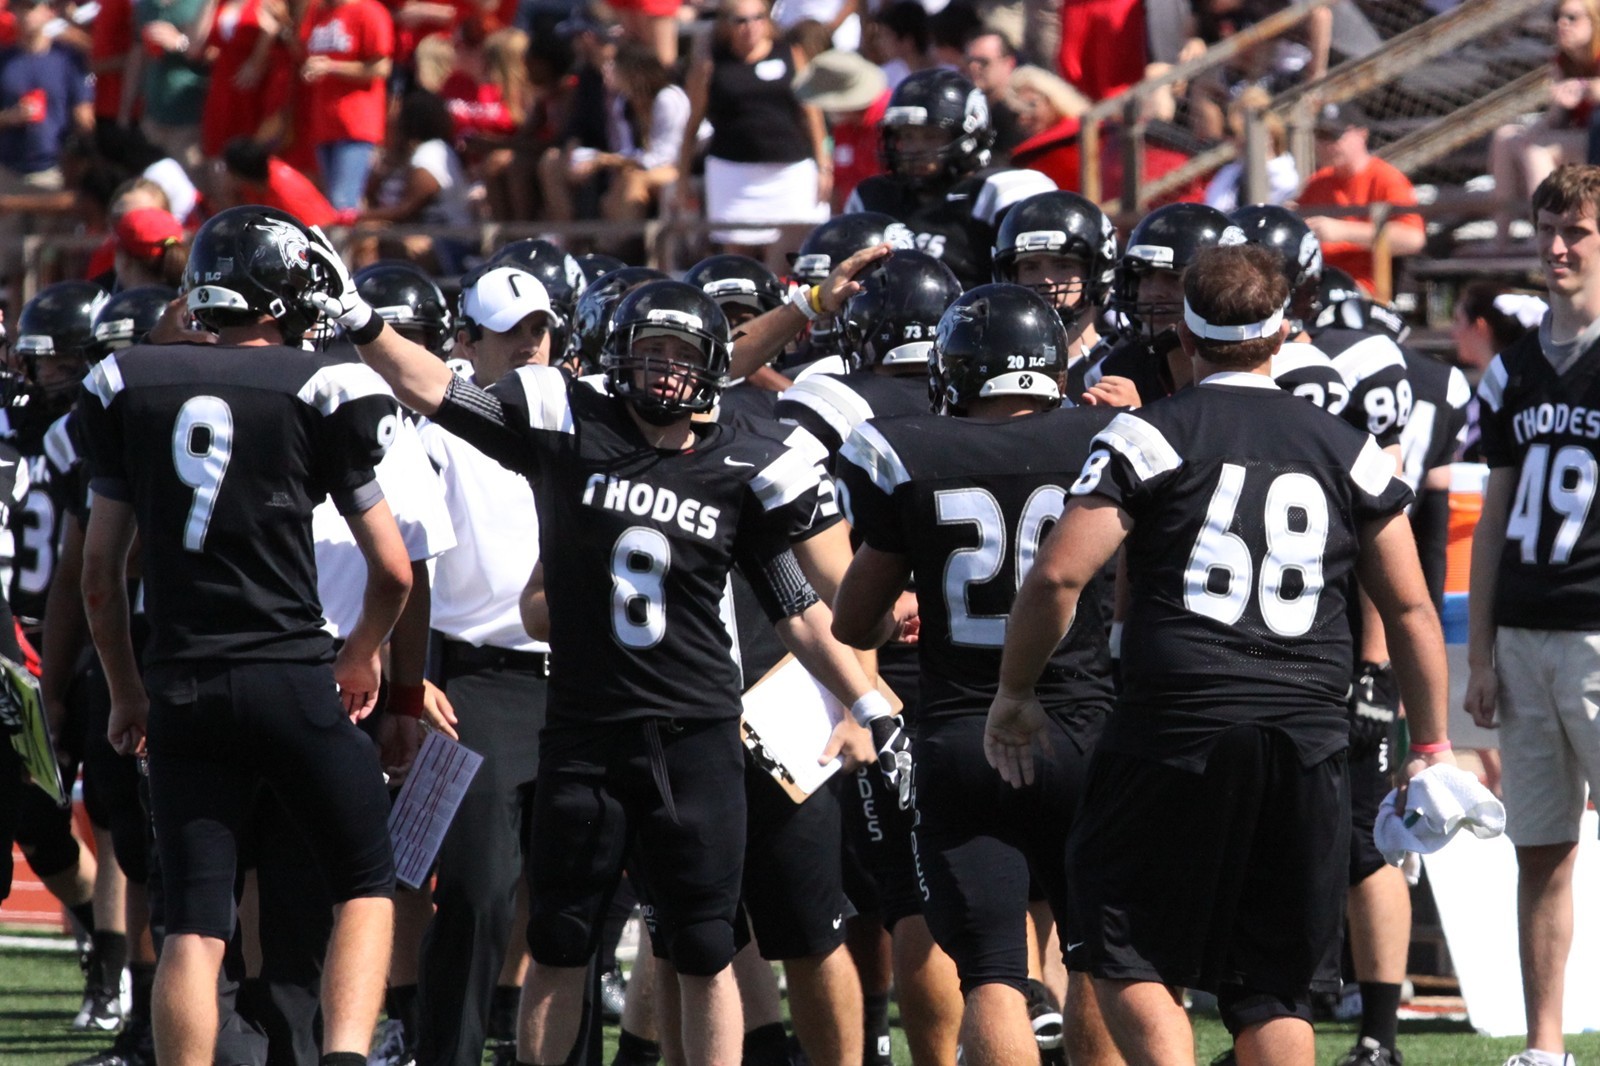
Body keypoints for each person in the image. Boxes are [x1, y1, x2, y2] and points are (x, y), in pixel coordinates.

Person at [318, 250, 899, 1066]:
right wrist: (361, 322)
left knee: (704, 948)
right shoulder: (569, 426)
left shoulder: (743, 457)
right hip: (587, 729)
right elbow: (437, 389)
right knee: (559, 939)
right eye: (647, 353)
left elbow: (798, 612)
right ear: (614, 356)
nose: (663, 372)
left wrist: (868, 702)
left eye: (680, 357)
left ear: (709, 369)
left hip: (697, 732)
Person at [986, 242, 1452, 1066]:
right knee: (1273, 987)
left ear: (1186, 340)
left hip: (1177, 726)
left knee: (1124, 945)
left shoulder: (1154, 434)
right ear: (1281, 339)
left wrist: (1015, 693)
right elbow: (1411, 606)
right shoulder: (1346, 446)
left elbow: (1059, 575)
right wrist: (1432, 746)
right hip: (1307, 734)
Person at [77, 205, 411, 1066]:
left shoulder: (125, 380)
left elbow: (100, 578)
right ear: (281, 297)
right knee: (369, 883)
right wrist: (362, 653)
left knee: (195, 920)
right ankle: (342, 1057)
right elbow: (395, 571)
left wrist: (126, 691)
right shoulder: (321, 383)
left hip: (181, 679)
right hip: (290, 674)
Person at [833, 283, 1121, 1066]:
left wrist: (903, 613)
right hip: (1081, 724)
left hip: (963, 730)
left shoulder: (909, 450)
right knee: (1100, 956)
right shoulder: (1109, 440)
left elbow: (853, 622)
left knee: (991, 971)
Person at [1466, 163, 1600, 1066]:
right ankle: (1546, 1045)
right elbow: (1490, 523)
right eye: (1547, 229)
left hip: (1598, 631)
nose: (1557, 247)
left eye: (1577, 232)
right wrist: (1477, 650)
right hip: (1523, 632)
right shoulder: (1512, 366)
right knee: (1540, 847)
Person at [846, 68, 1054, 290]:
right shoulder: (872, 197)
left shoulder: (997, 191)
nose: (915, 149)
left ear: (969, 135)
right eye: (907, 135)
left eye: (931, 136)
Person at [680, 0, 829, 255]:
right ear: (726, 25)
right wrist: (682, 175)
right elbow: (692, 122)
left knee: (788, 252)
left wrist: (824, 164)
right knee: (737, 252)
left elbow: (812, 114)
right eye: (741, 20)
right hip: (733, 171)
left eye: (758, 17)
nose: (751, 26)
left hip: (789, 169)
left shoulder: (790, 53)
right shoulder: (711, 64)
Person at [990, 189, 1118, 401]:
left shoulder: (1126, 365)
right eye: (1031, 267)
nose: (1046, 281)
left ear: (1098, 272)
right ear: (1011, 276)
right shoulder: (993, 366)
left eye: (1063, 265)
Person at [1492, 0, 1600, 248]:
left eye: (1572, 18)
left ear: (1595, 21)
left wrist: (1585, 88)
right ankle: (1501, 239)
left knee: (1536, 150)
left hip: (1595, 139)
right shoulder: (1563, 61)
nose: (1562, 24)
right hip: (1576, 136)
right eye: (1557, 17)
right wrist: (1528, 134)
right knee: (1506, 137)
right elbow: (1555, 117)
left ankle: (1545, 235)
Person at [1295, 101, 1424, 296]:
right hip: (1316, 287)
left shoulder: (1385, 178)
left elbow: (1412, 238)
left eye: (1334, 136)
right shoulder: (1317, 183)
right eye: (1321, 136)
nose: (1326, 145)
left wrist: (1344, 231)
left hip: (1362, 294)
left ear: (1362, 134)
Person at [301, 0, 395, 211]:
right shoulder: (317, 11)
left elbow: (381, 67)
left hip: (356, 124)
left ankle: (342, 245)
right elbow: (305, 51)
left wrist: (332, 66)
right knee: (329, 204)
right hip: (324, 123)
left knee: (342, 202)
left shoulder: (369, 11)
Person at [1004, 66, 1089, 192]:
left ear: (1053, 99)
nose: (1024, 116)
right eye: (1016, 113)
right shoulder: (1029, 155)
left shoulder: (1087, 131)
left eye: (1032, 105)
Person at [962, 31, 1022, 158]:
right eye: (969, 61)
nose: (973, 67)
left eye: (983, 62)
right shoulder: (970, 113)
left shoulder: (1022, 115)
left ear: (1009, 63)